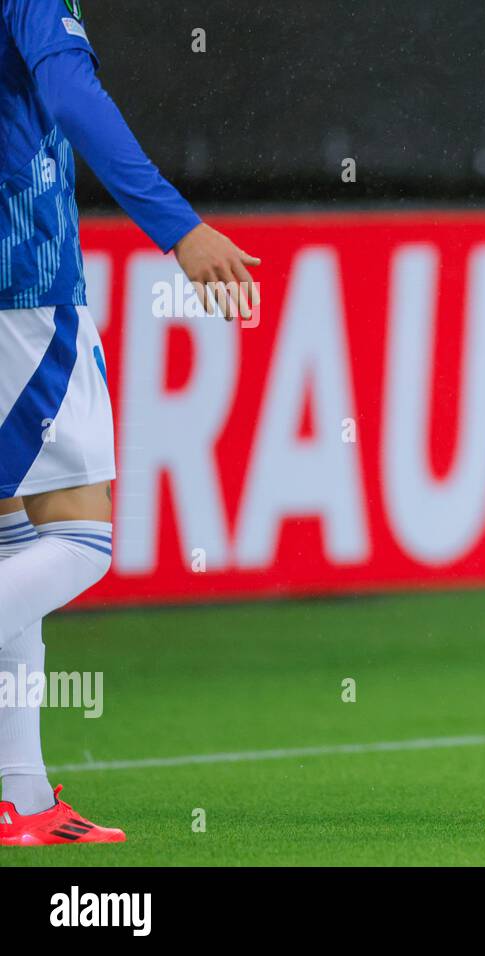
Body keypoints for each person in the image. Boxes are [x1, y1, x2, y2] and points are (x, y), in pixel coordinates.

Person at [0, 0, 258, 845]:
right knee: (79, 537)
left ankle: (22, 798)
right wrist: (177, 228)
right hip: (22, 288)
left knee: (12, 539)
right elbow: (71, 92)